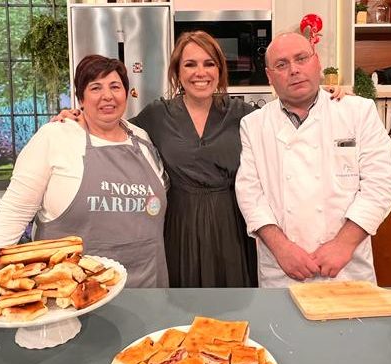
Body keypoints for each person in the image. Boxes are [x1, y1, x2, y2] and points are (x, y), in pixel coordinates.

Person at [53, 32, 348, 288]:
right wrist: (78, 116)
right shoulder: (157, 115)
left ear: (219, 70)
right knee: (182, 312)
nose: (200, 72)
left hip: (231, 227)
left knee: (234, 309)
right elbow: (114, 127)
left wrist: (326, 94)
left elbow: (291, 114)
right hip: (178, 227)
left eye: (209, 64)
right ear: (177, 72)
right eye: (190, 64)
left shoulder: (245, 115)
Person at [0, 55, 168, 297]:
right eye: (96, 87)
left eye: (115, 87)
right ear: (81, 97)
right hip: (72, 291)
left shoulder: (142, 139)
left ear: (126, 93)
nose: (107, 96)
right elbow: (15, 208)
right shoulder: (55, 137)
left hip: (147, 284)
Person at [235, 32, 391, 288]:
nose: (294, 70)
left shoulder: (358, 111)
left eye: (301, 59)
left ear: (317, 61)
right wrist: (282, 248)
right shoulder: (253, 124)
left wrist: (344, 244)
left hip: (347, 268)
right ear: (269, 76)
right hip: (283, 271)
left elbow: (381, 185)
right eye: (281, 65)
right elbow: (249, 194)